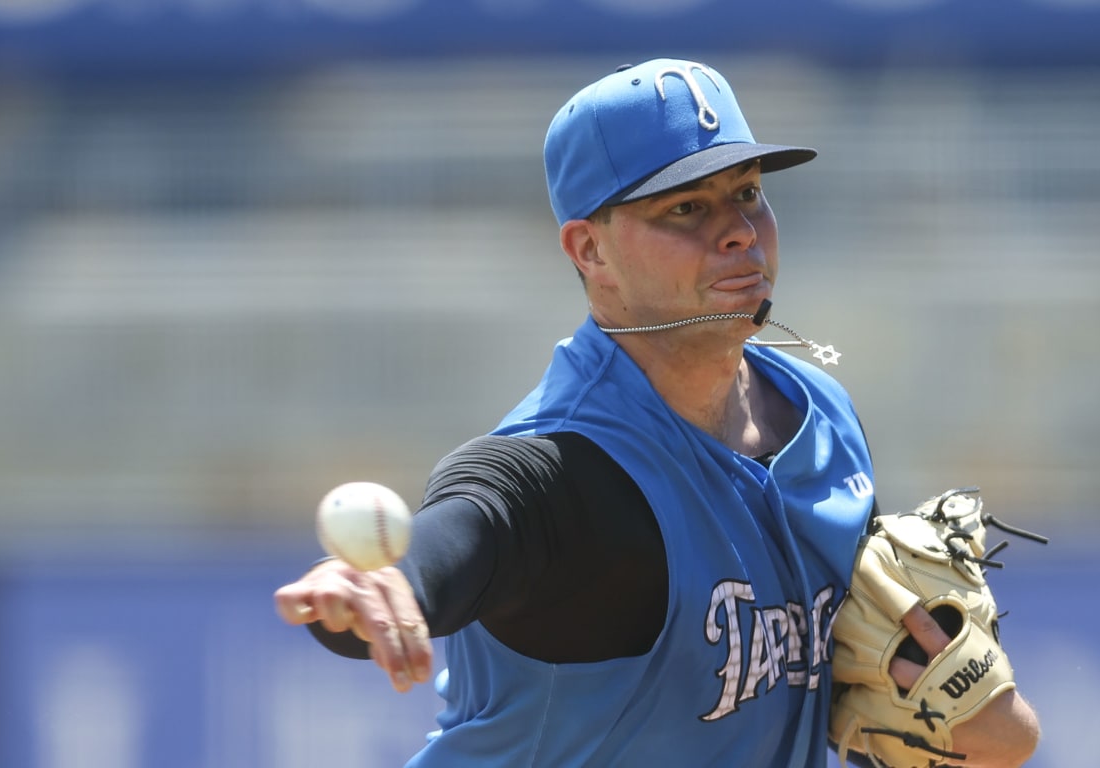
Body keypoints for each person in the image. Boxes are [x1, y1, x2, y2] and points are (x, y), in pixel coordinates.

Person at [273, 58, 1041, 767]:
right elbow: (469, 529)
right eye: (685, 207)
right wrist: (387, 587)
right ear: (590, 251)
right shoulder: (561, 469)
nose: (737, 229)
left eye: (745, 193)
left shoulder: (822, 417)